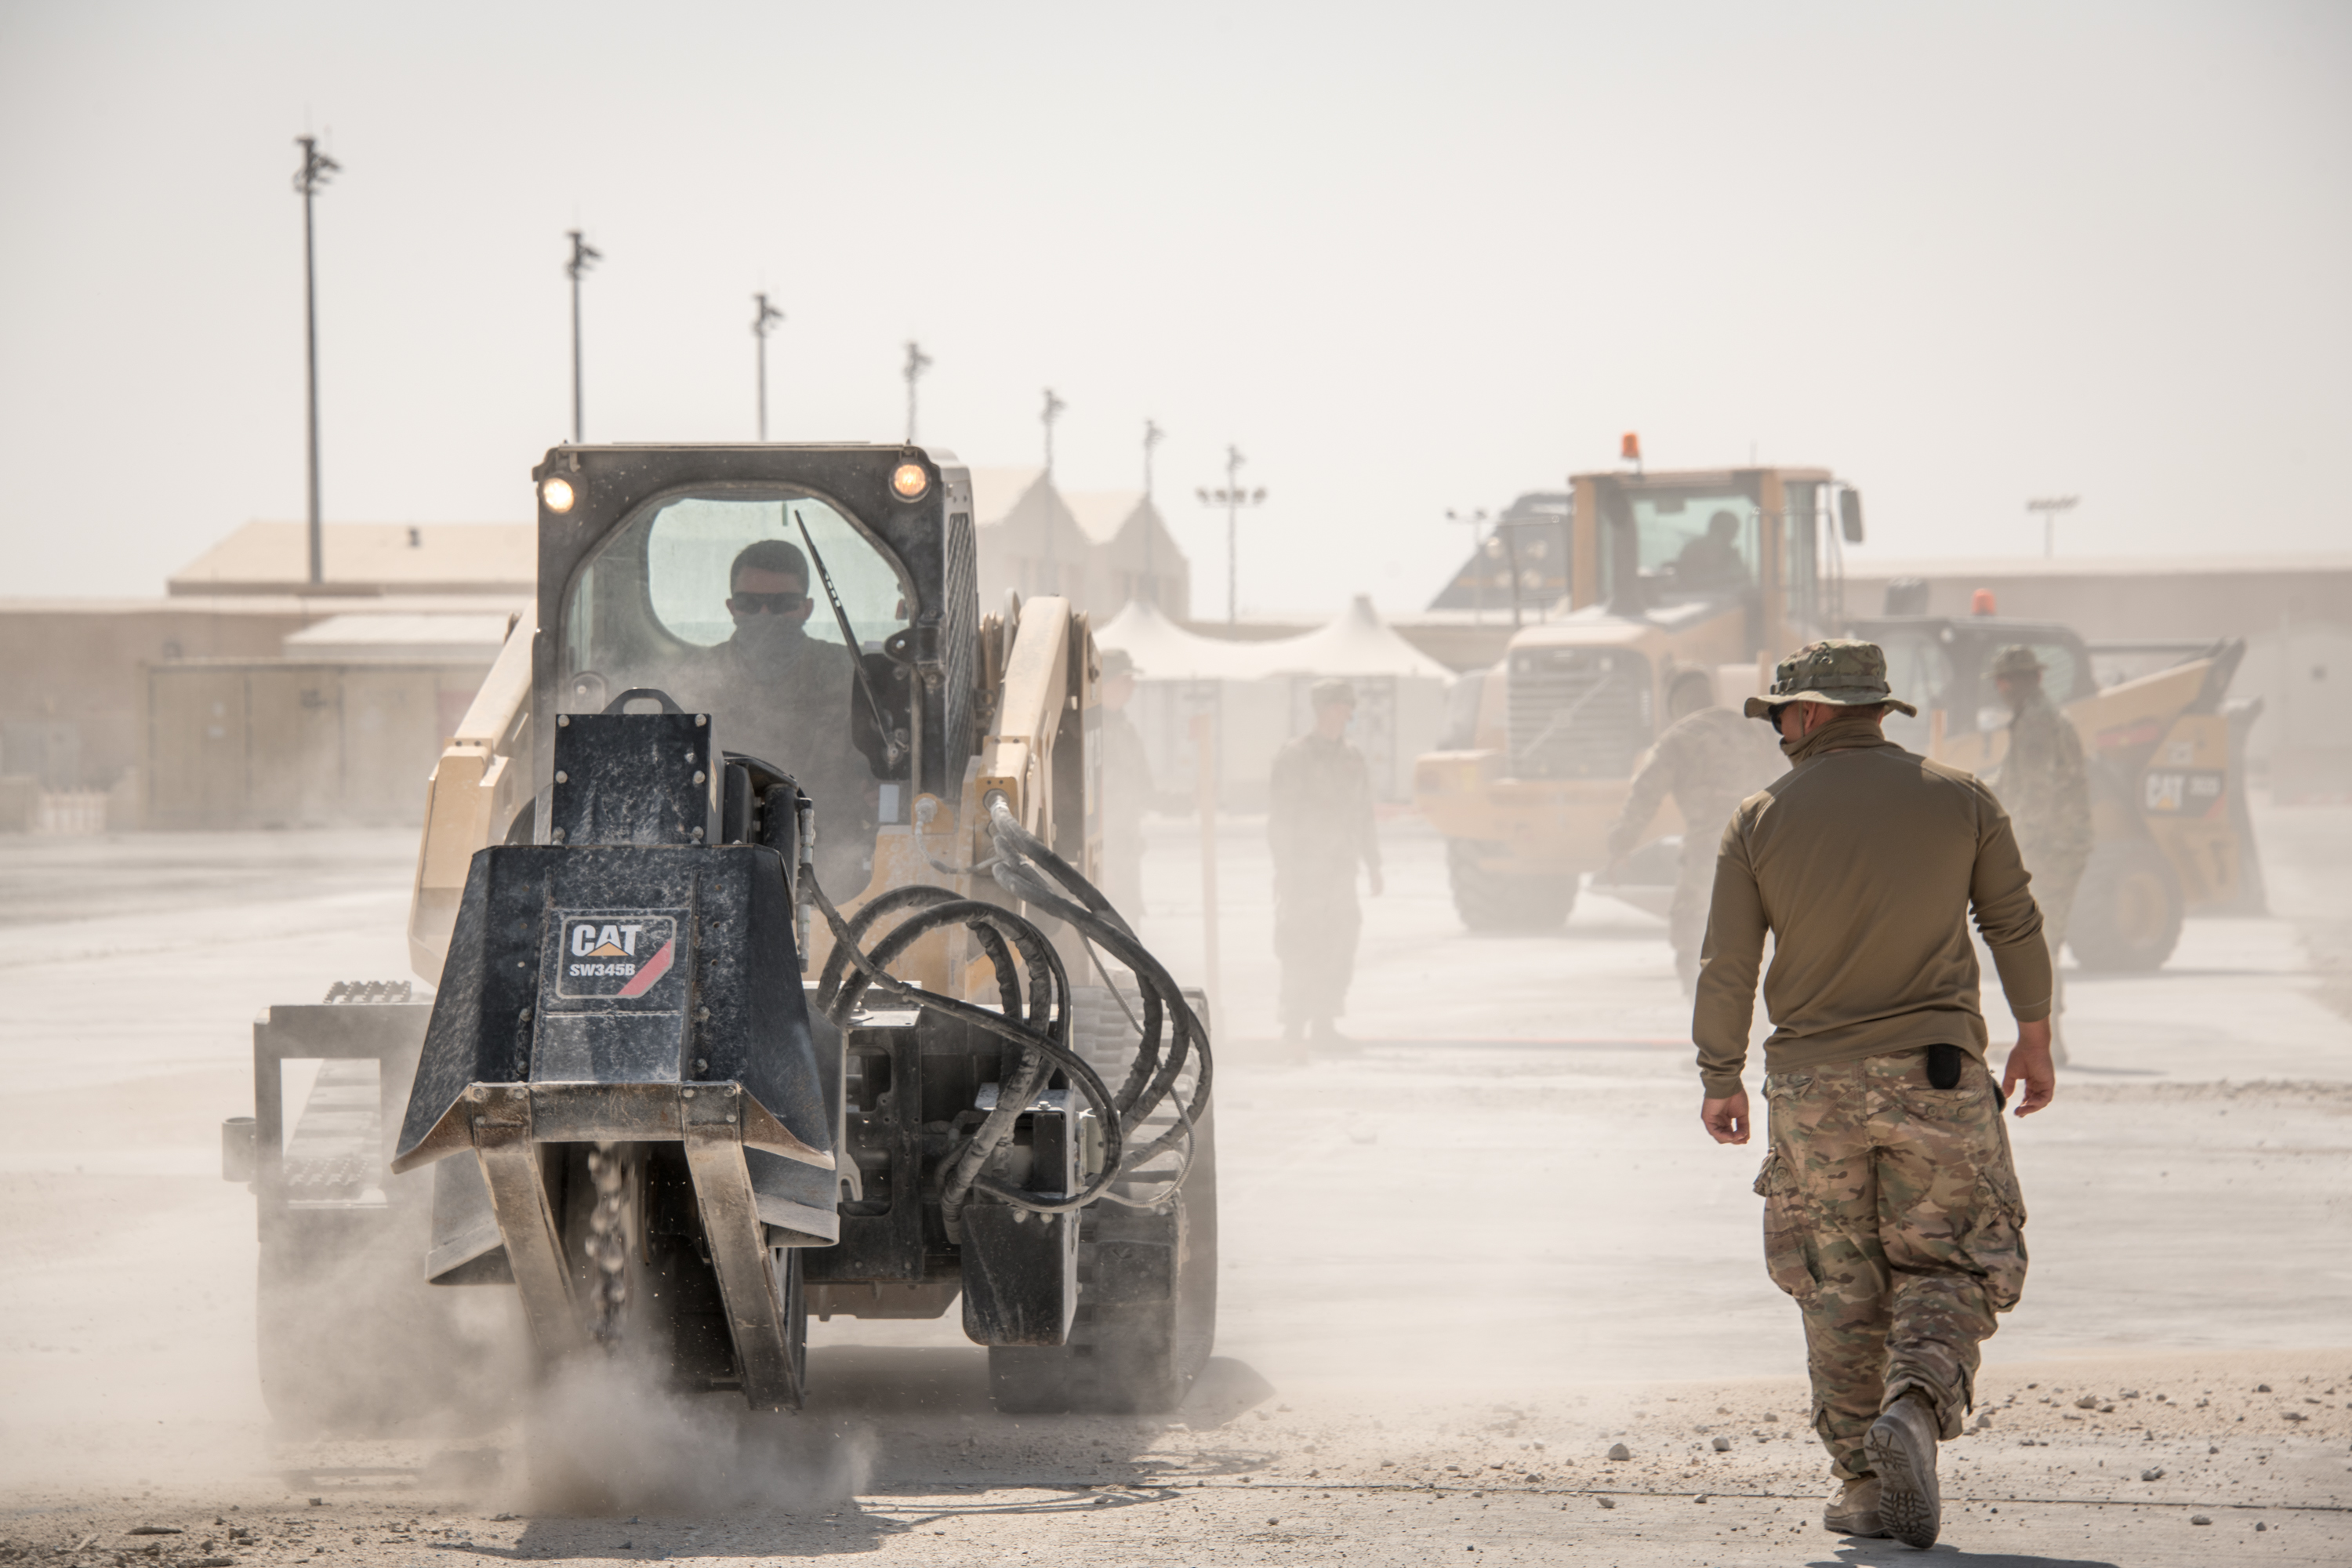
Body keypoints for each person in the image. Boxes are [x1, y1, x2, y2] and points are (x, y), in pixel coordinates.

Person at [1693, 639, 2057, 1549]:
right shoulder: (1962, 797)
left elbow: (1729, 963)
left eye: (1780, 713)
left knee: (1837, 1283)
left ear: (1812, 711)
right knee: (1958, 1262)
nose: (1776, 730)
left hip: (1812, 1088)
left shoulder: (1758, 818)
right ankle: (1916, 1408)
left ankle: (1862, 1480)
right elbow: (2012, 920)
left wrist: (1719, 1074)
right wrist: (2036, 1034)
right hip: (1935, 1077)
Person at [668, 539, 874, 893]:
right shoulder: (693, 680)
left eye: (782, 604)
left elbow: (888, 774)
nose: (765, 616)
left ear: (806, 608)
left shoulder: (852, 677)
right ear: (732, 607)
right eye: (750, 603)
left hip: (839, 867)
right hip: (718, 865)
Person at [1605, 682, 1784, 994]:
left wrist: (1620, 846)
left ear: (1674, 705)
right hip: (1766, 848)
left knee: (1694, 943)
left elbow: (1644, 796)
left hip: (1711, 853)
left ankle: (1716, 1030)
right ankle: (1760, 1028)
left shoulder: (1677, 739)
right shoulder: (1755, 731)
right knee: (1766, 941)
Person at [1989, 645, 2092, 1067]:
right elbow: (2014, 782)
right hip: (2059, 843)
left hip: (2049, 847)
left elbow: (2032, 797)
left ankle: (2049, 1041)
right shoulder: (2040, 717)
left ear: (2008, 683)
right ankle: (2046, 1037)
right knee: (2041, 940)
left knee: (2039, 942)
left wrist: (2013, 853)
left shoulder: (2035, 723)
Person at [1268, 678, 1383, 1044]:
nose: (1348, 713)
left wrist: (1374, 864)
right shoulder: (1295, 756)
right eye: (1342, 705)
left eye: (1349, 706)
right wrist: (1284, 869)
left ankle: (1325, 1022)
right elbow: (1280, 818)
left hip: (1340, 871)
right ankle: (1295, 1025)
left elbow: (1365, 813)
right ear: (1324, 709)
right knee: (1302, 944)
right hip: (1305, 872)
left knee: (1340, 943)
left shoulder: (1353, 757)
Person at [1096, 647, 1175, 915]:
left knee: (1128, 936)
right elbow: (1076, 801)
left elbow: (1144, 792)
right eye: (1124, 680)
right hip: (1101, 862)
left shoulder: (1125, 730)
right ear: (1103, 682)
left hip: (1125, 855)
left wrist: (1187, 801)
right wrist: (1099, 864)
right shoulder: (1083, 732)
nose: (1133, 687)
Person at [1671, 510, 1748, 591]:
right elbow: (1685, 578)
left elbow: (1742, 582)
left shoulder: (1732, 555)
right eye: (1732, 532)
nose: (1734, 537)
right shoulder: (1692, 550)